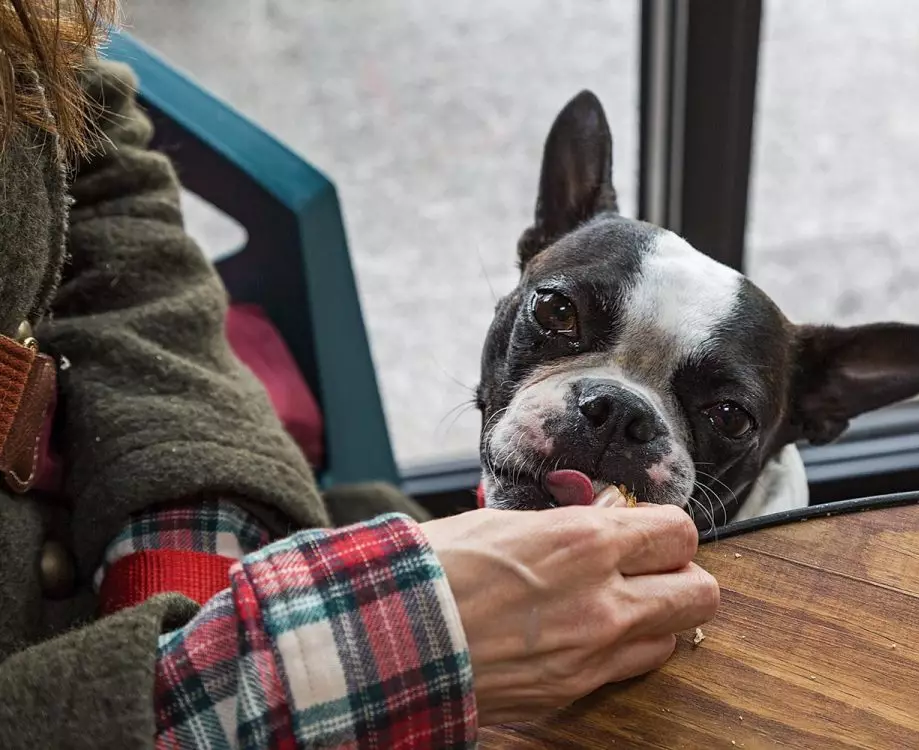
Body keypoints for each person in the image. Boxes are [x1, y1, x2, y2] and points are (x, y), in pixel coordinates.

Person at [0, 3, 719, 748]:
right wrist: (342, 661)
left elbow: (95, 160)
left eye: (724, 419)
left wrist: (189, 554)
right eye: (562, 319)